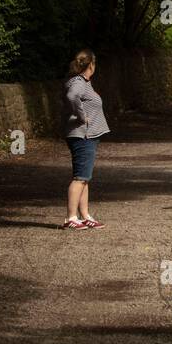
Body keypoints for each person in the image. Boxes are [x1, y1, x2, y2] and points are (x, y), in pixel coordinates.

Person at [61, 48, 110, 230]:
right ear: (91, 64)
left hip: (88, 136)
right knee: (80, 177)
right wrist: (81, 116)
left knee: (84, 178)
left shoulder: (85, 82)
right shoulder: (78, 82)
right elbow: (72, 96)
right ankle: (71, 217)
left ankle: (85, 215)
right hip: (82, 135)